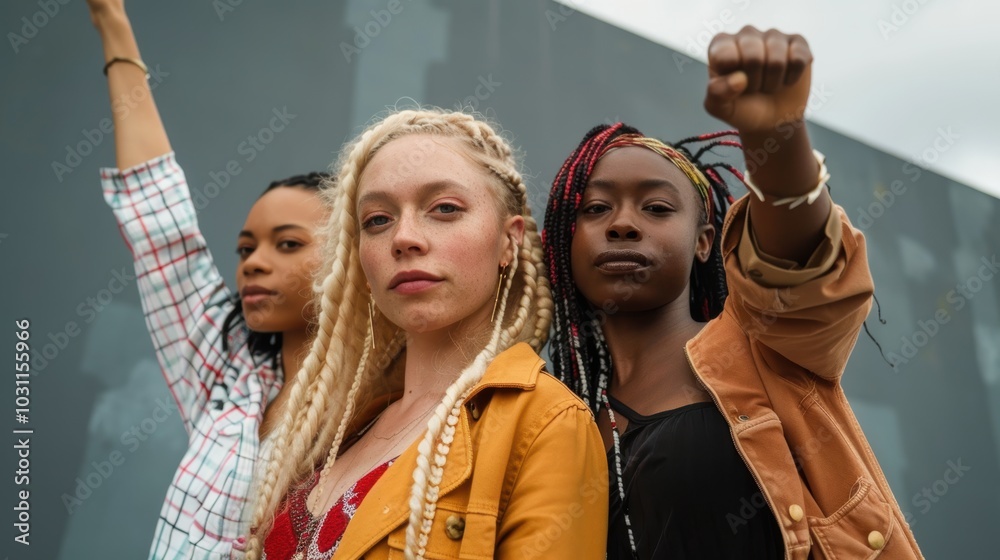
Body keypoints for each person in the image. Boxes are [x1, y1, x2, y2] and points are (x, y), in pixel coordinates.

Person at [542, 27, 924, 559]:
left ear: (704, 243)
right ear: (564, 239)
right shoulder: (545, 406)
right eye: (596, 208)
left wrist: (777, 138)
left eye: (656, 208)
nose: (623, 224)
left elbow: (799, 264)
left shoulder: (763, 348)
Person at [239, 108, 608, 560]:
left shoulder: (545, 425)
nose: (404, 237)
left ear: (508, 240)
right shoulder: (341, 428)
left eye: (444, 209)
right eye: (377, 219)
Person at [87, 1, 331, 557]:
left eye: (287, 244)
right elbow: (161, 227)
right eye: (245, 248)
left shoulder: (389, 412)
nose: (253, 262)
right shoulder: (228, 376)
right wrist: (111, 20)